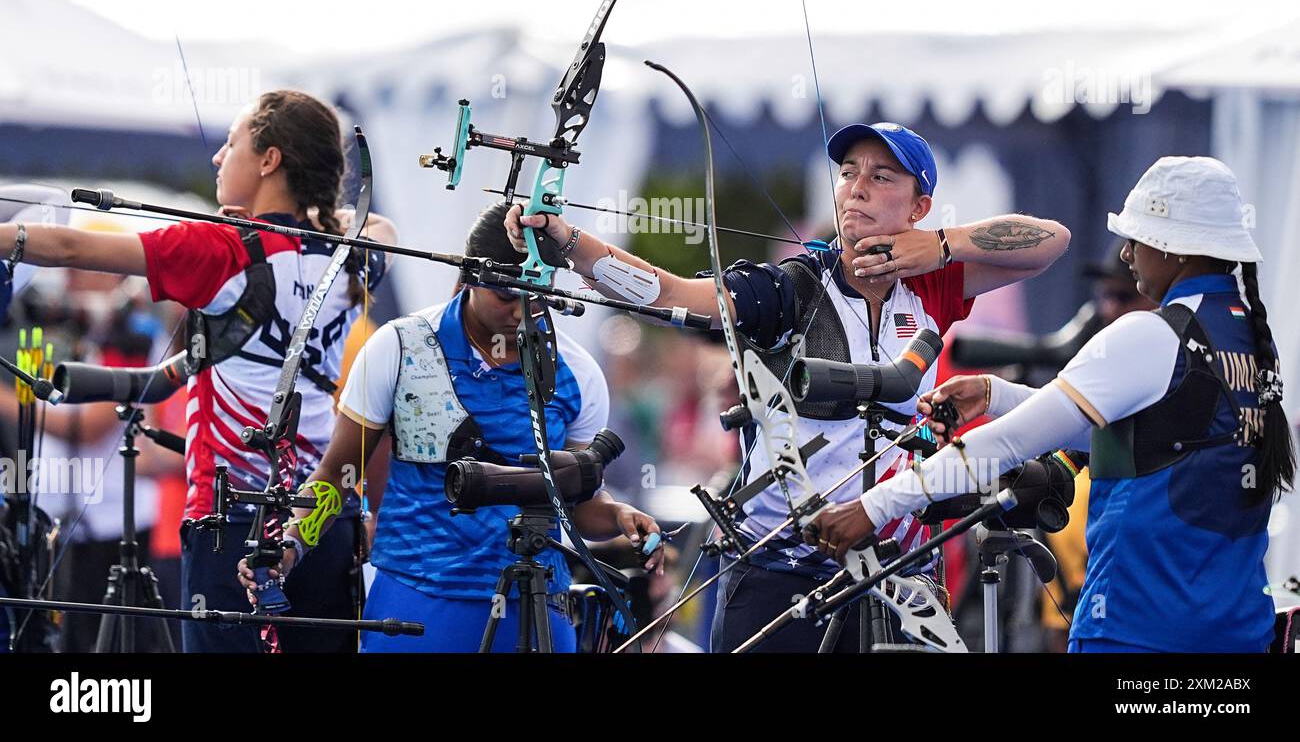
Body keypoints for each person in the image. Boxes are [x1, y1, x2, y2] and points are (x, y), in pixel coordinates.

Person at [506, 121, 1071, 651]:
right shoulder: (789, 289)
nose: (857, 188)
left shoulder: (933, 286)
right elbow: (673, 296)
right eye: (849, 172)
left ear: (919, 206)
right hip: (779, 570)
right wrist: (572, 244)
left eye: (881, 176)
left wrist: (940, 243)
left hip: (898, 573)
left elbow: (1051, 240)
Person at [811, 156, 1294, 653]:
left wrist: (872, 507)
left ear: (1177, 251)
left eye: (1138, 238)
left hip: (1140, 632)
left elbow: (1006, 445)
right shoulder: (1247, 336)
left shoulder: (1150, 334)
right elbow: (1142, 439)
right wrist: (996, 394)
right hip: (1237, 635)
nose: (1126, 254)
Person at [0, 90, 396, 652]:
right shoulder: (348, 254)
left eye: (231, 143)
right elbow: (382, 229)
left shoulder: (217, 248)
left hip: (230, 525)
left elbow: (67, 245)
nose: (217, 158)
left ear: (269, 160)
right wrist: (320, 221)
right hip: (322, 522)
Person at [239, 203, 662, 652]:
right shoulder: (397, 347)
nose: (520, 311)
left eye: (535, 296)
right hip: (416, 604)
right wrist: (288, 548)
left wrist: (618, 518)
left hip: (535, 602)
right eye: (505, 294)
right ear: (467, 278)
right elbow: (338, 477)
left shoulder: (579, 372)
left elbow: (577, 505)